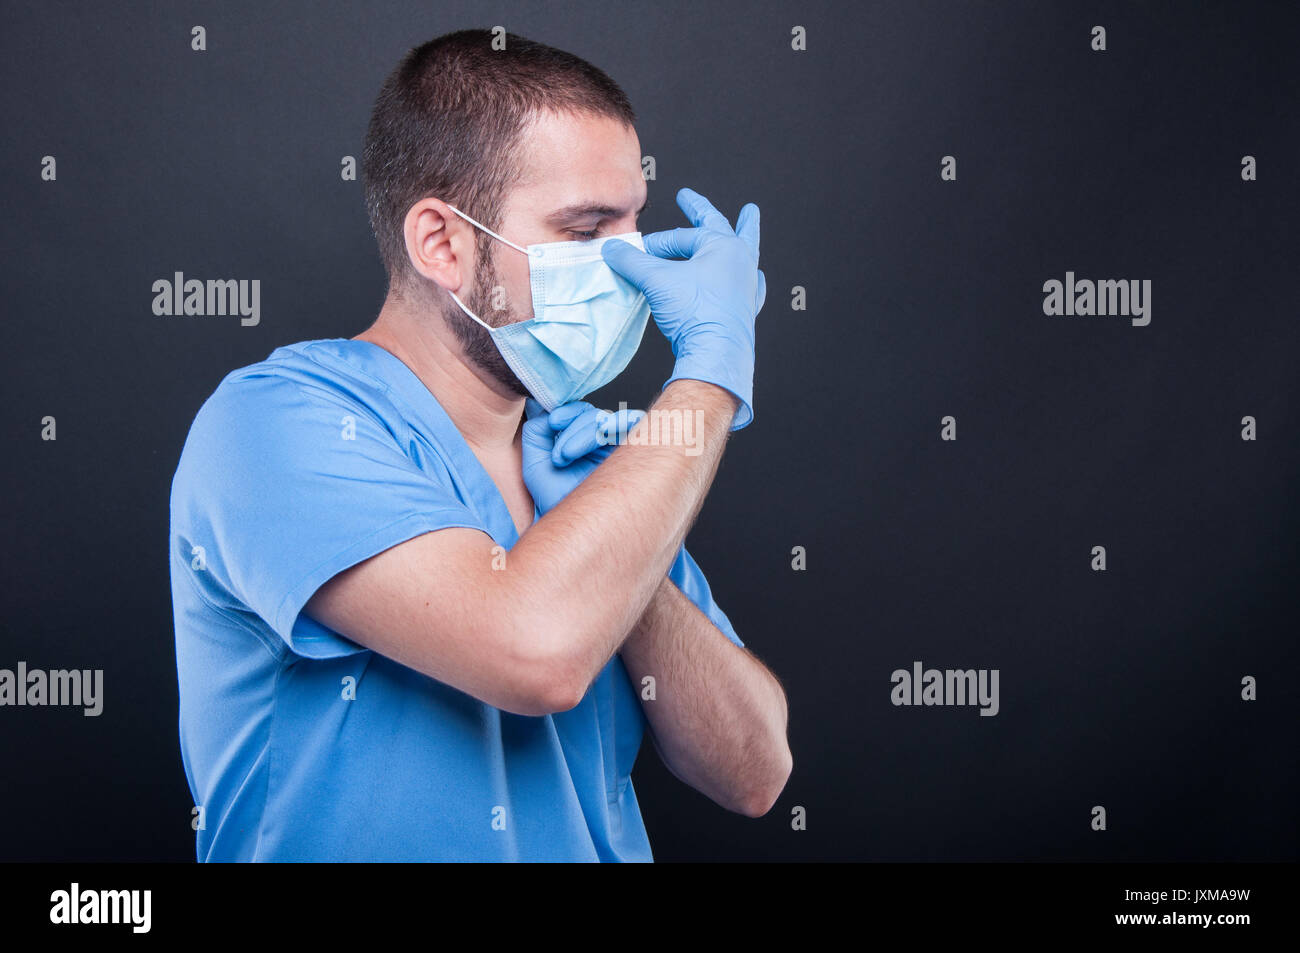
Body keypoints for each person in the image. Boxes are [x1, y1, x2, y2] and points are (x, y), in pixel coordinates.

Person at [169, 29, 790, 861]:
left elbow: (754, 769)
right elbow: (536, 652)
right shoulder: (273, 425)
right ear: (443, 244)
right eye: (586, 229)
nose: (631, 265)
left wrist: (626, 568)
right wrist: (711, 374)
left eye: (635, 226)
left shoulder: (592, 462)